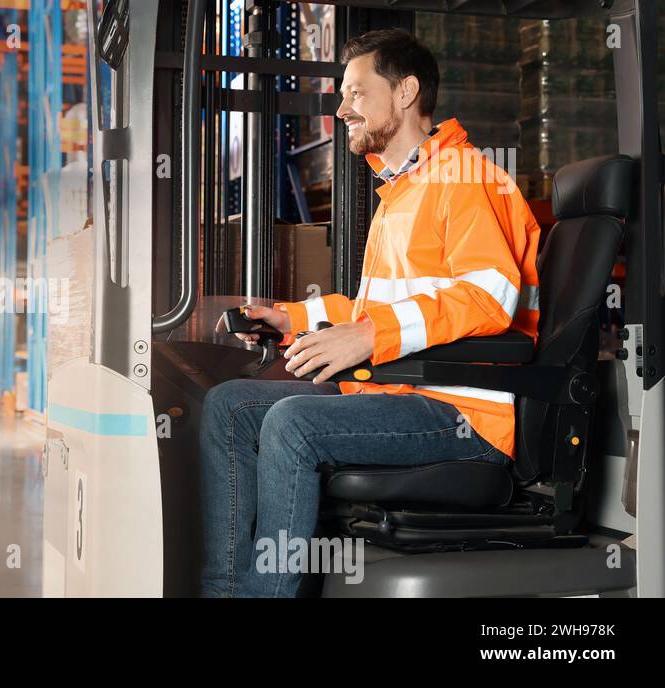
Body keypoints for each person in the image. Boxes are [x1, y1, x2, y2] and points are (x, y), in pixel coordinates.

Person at [198, 28, 542, 598]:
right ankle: (228, 592)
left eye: (356, 93)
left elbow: (489, 297)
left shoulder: (465, 179)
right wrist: (291, 318)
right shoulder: (403, 190)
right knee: (230, 407)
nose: (341, 109)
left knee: (292, 422)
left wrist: (367, 336)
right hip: (401, 394)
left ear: (405, 92)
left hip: (459, 413)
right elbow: (372, 310)